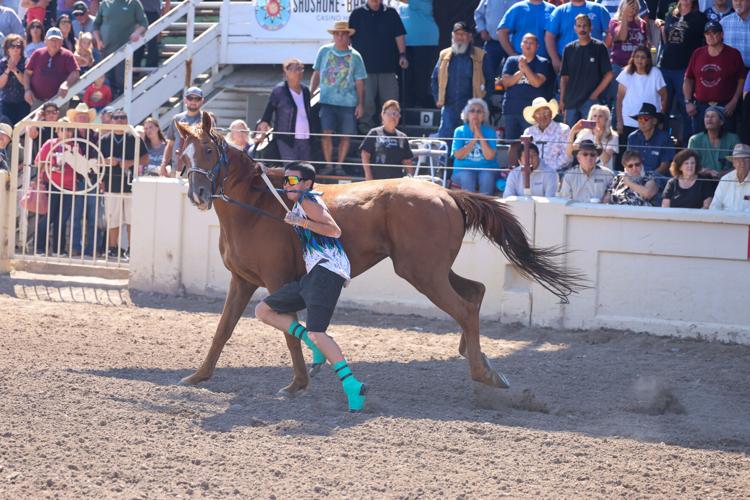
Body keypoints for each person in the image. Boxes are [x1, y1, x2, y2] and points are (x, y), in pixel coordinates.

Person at [254, 161, 367, 413]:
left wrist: (301, 222)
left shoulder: (308, 201)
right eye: (285, 181)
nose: (287, 185)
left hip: (327, 272)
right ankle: (313, 343)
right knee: (264, 311)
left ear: (306, 184)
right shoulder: (300, 202)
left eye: (292, 180)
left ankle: (352, 384)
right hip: (314, 275)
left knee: (319, 332)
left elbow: (334, 231)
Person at [310, 21, 366, 173]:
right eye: (337, 34)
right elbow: (316, 74)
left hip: (348, 103)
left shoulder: (356, 56)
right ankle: (329, 165)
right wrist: (310, 94)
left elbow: (360, 82)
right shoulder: (324, 51)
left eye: (343, 34)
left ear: (348, 36)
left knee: (345, 135)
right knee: (325, 132)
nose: (340, 37)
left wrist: (361, 104)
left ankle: (339, 165)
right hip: (327, 100)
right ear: (333, 36)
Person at [348, 0, 406, 132]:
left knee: (390, 102)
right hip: (363, 69)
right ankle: (365, 132)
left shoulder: (391, 13)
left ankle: (390, 130)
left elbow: (399, 35)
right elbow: (349, 37)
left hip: (388, 68)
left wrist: (402, 54)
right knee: (366, 104)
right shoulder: (357, 14)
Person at [99, 108, 148, 259]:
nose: (120, 120)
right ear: (111, 120)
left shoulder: (134, 137)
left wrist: (129, 162)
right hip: (111, 184)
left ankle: (131, 249)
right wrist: (107, 161)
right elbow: (96, 161)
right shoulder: (104, 139)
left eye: (123, 117)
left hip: (131, 185)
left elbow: (146, 158)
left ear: (127, 120)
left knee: (131, 219)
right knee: (113, 218)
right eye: (116, 117)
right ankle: (113, 249)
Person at [656, 0, 707, 144]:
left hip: (685, 70)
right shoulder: (671, 15)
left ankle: (687, 148)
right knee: (662, 110)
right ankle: (662, 147)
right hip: (665, 67)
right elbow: (666, 41)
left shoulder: (699, 17)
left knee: (687, 110)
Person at [683, 21, 745, 134]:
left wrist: (734, 101)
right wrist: (688, 102)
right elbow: (688, 78)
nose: (710, 35)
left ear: (722, 35)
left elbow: (741, 79)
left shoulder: (733, 54)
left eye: (714, 32)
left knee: (726, 144)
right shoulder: (697, 53)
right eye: (707, 33)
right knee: (699, 145)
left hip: (725, 107)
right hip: (701, 108)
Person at [431, 22, 485, 145]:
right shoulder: (444, 54)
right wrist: (437, 98)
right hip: (449, 106)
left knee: (469, 140)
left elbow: (489, 80)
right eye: (457, 34)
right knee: (446, 141)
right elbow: (434, 78)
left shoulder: (480, 55)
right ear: (452, 36)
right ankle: (446, 164)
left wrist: (482, 102)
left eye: (463, 34)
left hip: (471, 108)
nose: (460, 37)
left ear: (470, 37)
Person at [559, 14, 613, 126]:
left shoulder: (599, 47)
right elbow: (564, 77)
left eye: (585, 26)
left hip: (590, 102)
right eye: (579, 26)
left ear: (590, 28)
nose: (582, 29)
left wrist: (595, 94)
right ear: (575, 28)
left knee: (591, 136)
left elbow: (609, 74)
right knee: (570, 135)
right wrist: (562, 100)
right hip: (571, 101)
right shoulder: (569, 49)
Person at [500, 33, 553, 143]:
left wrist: (525, 67)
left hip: (533, 112)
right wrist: (521, 72)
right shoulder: (511, 60)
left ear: (537, 46)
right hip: (512, 109)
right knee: (512, 144)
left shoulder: (543, 62)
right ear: (521, 45)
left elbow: (537, 83)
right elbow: (506, 82)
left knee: (531, 144)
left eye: (531, 43)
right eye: (525, 42)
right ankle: (513, 162)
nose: (528, 45)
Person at [259, 58, 313, 162]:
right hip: (286, 138)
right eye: (294, 69)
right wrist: (263, 129)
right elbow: (268, 113)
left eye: (300, 69)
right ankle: (290, 180)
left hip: (305, 136)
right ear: (286, 71)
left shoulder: (305, 90)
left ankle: (304, 180)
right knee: (291, 169)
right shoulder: (279, 91)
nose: (298, 72)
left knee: (305, 169)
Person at [35, 118, 76, 255]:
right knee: (49, 217)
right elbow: (39, 162)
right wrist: (51, 167)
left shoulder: (76, 145)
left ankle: (59, 250)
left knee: (62, 219)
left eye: (69, 129)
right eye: (63, 129)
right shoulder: (50, 143)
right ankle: (40, 248)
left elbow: (79, 166)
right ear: (57, 130)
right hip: (51, 185)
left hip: (69, 187)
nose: (67, 132)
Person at [93, 0, 148, 95]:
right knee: (108, 82)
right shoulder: (105, 3)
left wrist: (137, 32)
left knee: (121, 81)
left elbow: (144, 23)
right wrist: (98, 41)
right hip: (105, 50)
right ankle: (111, 108)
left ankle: (124, 107)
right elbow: (96, 24)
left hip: (124, 51)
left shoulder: (133, 3)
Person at [615, 45, 667, 145]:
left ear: (648, 60)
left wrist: (660, 119)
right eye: (637, 56)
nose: (639, 60)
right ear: (633, 58)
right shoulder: (626, 73)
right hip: (628, 122)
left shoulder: (656, 73)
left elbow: (664, 96)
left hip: (649, 122)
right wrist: (619, 121)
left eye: (643, 57)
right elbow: (619, 99)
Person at [65, 102, 98, 257]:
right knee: (76, 215)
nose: (82, 119)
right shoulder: (70, 136)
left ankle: (92, 248)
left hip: (93, 179)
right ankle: (75, 248)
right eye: (80, 116)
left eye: (85, 116)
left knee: (93, 216)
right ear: (76, 119)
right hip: (77, 180)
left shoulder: (96, 135)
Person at [545, 0, 610, 74]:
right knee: (565, 85)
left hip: (593, 62)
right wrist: (555, 60)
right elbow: (549, 36)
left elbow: (610, 33)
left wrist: (602, 55)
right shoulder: (559, 11)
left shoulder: (599, 9)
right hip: (566, 62)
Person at [450, 98, 498, 195]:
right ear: (467, 115)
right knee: (467, 176)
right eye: (472, 111)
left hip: (487, 169)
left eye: (479, 111)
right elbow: (458, 155)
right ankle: (469, 209)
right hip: (462, 170)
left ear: (484, 116)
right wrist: (474, 140)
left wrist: (480, 136)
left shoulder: (490, 132)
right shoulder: (459, 131)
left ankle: (486, 207)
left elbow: (489, 156)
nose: (475, 114)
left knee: (487, 176)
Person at [604, 0, 648, 104]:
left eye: (634, 6)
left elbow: (645, 44)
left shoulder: (642, 23)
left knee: (636, 100)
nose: (631, 9)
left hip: (637, 68)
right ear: (622, 7)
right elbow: (622, 37)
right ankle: (617, 120)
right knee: (619, 100)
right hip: (619, 66)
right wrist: (624, 16)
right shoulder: (614, 22)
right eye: (629, 6)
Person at [23, 27, 79, 108]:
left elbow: (75, 73)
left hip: (59, 100)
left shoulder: (68, 55)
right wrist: (27, 90)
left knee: (59, 121)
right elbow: (27, 73)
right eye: (52, 40)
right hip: (38, 101)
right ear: (45, 41)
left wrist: (66, 84)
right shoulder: (37, 54)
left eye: (57, 40)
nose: (54, 43)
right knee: (35, 120)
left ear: (62, 42)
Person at [397, 0, 439, 108]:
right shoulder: (399, 5)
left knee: (421, 76)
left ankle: (421, 105)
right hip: (405, 44)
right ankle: (408, 105)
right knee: (407, 76)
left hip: (425, 41)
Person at [360, 99, 414, 181]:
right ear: (382, 115)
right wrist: (368, 176)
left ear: (399, 117)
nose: (393, 117)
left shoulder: (403, 137)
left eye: (395, 114)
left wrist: (411, 179)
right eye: (389, 113)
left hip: (395, 184)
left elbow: (407, 161)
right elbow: (365, 154)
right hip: (376, 181)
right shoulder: (374, 133)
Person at [474, 0, 516, 100]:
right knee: (485, 74)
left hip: (513, 45)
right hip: (493, 42)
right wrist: (482, 30)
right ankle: (484, 103)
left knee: (513, 74)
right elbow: (478, 14)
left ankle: (510, 103)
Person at [161, 86, 203, 176]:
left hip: (199, 171)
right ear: (185, 100)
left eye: (197, 98)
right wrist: (164, 163)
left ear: (202, 101)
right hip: (176, 169)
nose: (193, 101)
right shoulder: (177, 119)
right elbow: (170, 144)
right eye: (190, 98)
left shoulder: (207, 120)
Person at [522, 96, 571, 172]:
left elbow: (567, 156)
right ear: (534, 117)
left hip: (558, 171)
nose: (542, 116)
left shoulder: (563, 129)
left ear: (551, 114)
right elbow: (525, 155)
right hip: (534, 172)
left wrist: (547, 170)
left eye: (545, 112)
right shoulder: (528, 132)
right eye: (538, 113)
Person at [687, 105, 739, 174]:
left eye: (713, 116)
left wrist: (724, 174)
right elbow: (689, 165)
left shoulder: (733, 139)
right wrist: (707, 171)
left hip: (727, 180)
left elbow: (740, 164)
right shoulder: (695, 140)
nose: (709, 119)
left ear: (721, 122)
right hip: (702, 180)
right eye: (707, 116)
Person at [626, 103, 674, 175]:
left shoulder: (665, 138)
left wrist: (649, 176)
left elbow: (665, 165)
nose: (642, 122)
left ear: (654, 121)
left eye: (646, 119)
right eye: (640, 119)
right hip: (636, 176)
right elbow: (628, 161)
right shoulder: (632, 137)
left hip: (657, 178)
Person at [568, 104, 619, 169]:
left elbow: (605, 160)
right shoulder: (584, 133)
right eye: (594, 116)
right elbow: (569, 153)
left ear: (606, 119)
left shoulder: (613, 136)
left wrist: (597, 140)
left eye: (600, 116)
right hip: (584, 171)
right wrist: (572, 132)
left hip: (603, 173)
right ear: (591, 118)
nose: (597, 119)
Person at [709, 143, 750, 210]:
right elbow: (715, 206)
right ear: (733, 163)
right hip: (725, 219)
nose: (742, 163)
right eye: (738, 160)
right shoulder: (725, 180)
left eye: (746, 160)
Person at [0, 34, 30, 126]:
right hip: (6, 103)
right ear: (7, 48)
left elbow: (26, 83)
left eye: (18, 46)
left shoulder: (27, 62)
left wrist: (14, 69)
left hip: (23, 103)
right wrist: (8, 69)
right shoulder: (2, 63)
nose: (15, 48)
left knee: (21, 132)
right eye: (12, 46)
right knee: (5, 130)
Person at [135, 0, 169, 69]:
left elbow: (167, 2)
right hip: (150, 12)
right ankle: (150, 70)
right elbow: (167, 2)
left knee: (139, 42)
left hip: (143, 12)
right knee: (150, 43)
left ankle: (136, 70)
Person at [720, 0, 750, 69]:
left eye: (742, 0)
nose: (738, 3)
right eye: (735, 0)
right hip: (732, 72)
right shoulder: (724, 22)